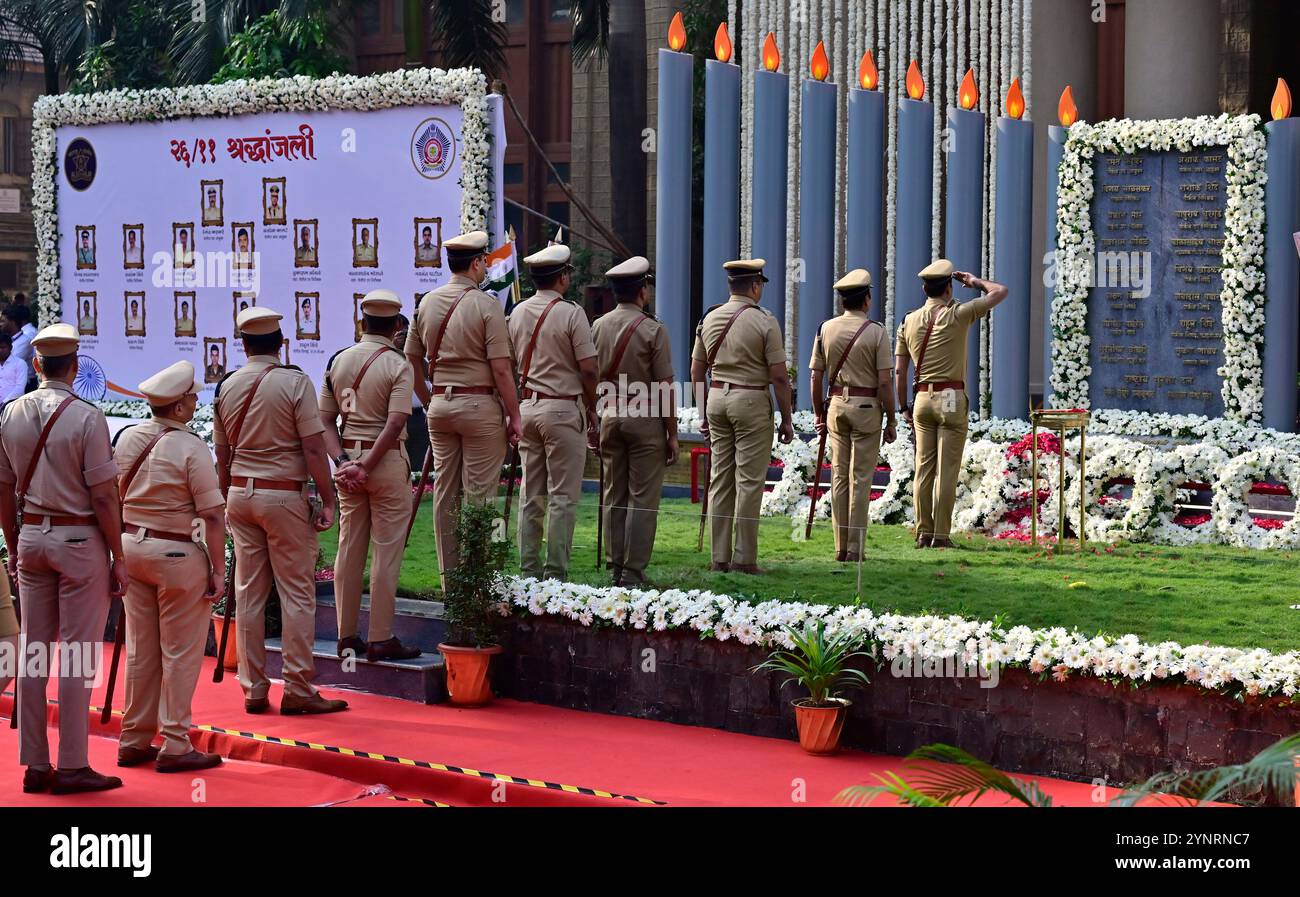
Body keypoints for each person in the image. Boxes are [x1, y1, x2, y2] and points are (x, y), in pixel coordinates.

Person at [0, 323, 127, 795]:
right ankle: (72, 763)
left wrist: (15, 546)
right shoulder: (87, 417)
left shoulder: (11, 412)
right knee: (76, 657)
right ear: (74, 367)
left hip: (32, 536)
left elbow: (3, 489)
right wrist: (117, 554)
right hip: (78, 542)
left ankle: (35, 764)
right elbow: (104, 499)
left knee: (35, 653)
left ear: (36, 366)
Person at [214, 307, 344, 715]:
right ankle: (298, 687)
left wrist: (225, 497)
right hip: (283, 496)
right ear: (280, 342)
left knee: (249, 594)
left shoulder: (227, 385)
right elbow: (312, 446)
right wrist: (328, 498)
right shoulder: (293, 382)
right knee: (297, 594)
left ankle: (253, 689)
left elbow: (221, 453)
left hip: (240, 495)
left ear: (244, 344)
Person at [114, 360, 226, 773]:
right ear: (178, 408)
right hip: (178, 554)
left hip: (132, 548)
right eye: (191, 397)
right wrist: (218, 568)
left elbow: (111, 496)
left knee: (142, 651)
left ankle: (134, 738)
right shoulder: (191, 446)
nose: (196, 400)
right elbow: (212, 514)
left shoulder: (128, 438)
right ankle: (176, 742)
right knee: (180, 653)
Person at [404, 231, 520, 578]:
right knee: (480, 497)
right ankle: (477, 582)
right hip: (479, 406)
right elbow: (501, 369)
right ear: (475, 263)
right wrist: (515, 415)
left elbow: (411, 357)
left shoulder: (427, 302)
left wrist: (428, 401)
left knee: (444, 494)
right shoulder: (486, 305)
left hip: (440, 405)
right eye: (484, 259)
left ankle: (451, 583)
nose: (486, 265)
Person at [319, 290, 421, 662]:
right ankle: (380, 636)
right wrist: (366, 464)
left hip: (348, 461)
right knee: (386, 550)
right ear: (397, 326)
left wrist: (345, 461)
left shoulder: (339, 361)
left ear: (361, 323)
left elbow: (325, 421)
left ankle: (346, 636)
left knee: (349, 548)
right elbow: (395, 423)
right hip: (385, 461)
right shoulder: (397, 364)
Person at [689, 258, 794, 574]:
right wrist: (786, 417)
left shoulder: (709, 319)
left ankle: (719, 557)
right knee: (749, 481)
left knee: (721, 478)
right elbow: (779, 376)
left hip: (717, 398)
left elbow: (696, 371)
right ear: (756, 286)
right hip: (750, 400)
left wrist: (701, 412)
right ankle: (744, 558)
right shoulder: (764, 321)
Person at [894, 259, 1008, 548]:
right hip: (949, 397)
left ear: (924, 288)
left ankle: (923, 532)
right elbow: (1000, 291)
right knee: (946, 471)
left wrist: (902, 406)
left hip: (920, 398)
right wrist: (975, 283)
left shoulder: (908, 321)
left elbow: (899, 370)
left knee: (923, 469)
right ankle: (941, 535)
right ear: (949, 287)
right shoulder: (958, 314)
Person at [508, 244, 598, 582]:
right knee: (562, 497)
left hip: (528, 406)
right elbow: (588, 369)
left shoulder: (516, 313)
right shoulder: (572, 312)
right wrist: (593, 408)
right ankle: (555, 575)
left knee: (531, 494)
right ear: (562, 277)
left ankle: (528, 570)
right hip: (562, 408)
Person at [591, 256, 677, 587]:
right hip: (643, 417)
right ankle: (633, 570)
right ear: (642, 291)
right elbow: (665, 386)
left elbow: (591, 375)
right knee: (643, 496)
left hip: (609, 414)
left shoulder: (598, 325)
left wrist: (593, 420)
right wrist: (671, 433)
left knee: (614, 492)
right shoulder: (653, 329)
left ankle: (615, 565)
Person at [810, 269, 897, 562]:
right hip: (866, 407)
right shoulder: (876, 331)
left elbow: (815, 376)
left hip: (836, 406)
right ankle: (856, 549)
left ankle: (840, 546)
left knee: (838, 476)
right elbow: (885, 381)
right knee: (860, 478)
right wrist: (892, 417)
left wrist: (818, 413)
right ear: (867, 299)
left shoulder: (826, 328)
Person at [0, 333, 24, 404]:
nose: (0, 350)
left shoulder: (20, 363)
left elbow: (20, 388)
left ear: (11, 347)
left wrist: (4, 403)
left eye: (3, 347)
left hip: (13, 405)